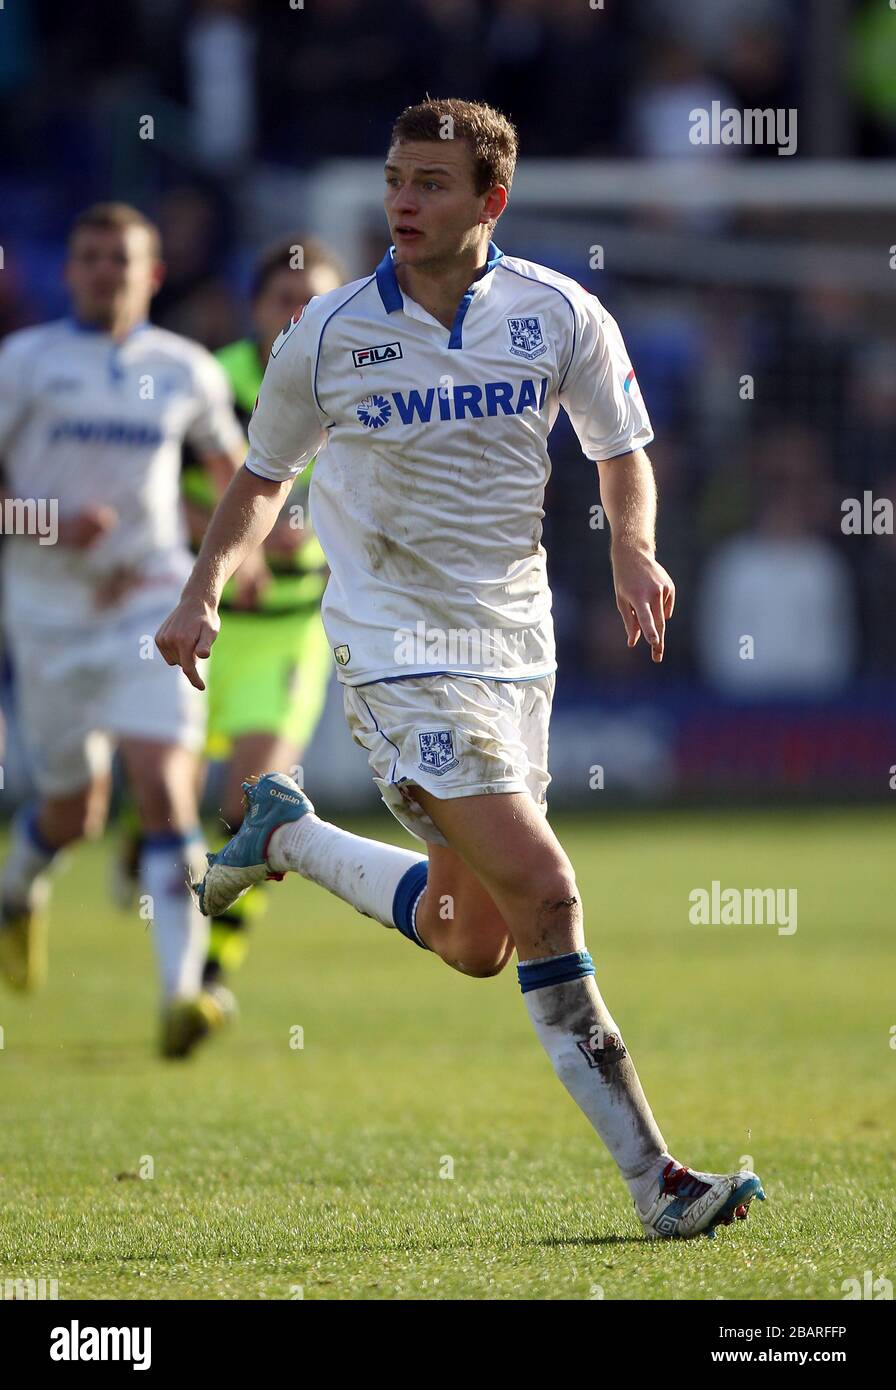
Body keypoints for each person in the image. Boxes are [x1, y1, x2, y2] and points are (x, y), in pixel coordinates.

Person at [157, 99, 765, 1236]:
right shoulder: (328, 334)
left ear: (490, 200)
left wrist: (631, 548)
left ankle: (280, 832)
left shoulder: (559, 314)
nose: (401, 199)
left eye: (430, 183)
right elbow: (259, 476)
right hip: (394, 652)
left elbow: (619, 448)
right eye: (395, 178)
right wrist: (201, 593)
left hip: (512, 651)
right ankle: (658, 1181)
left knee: (472, 937)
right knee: (545, 889)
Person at [0, 202, 259, 1057]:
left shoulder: (184, 369)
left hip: (154, 598)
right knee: (75, 809)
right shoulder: (24, 364)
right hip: (48, 615)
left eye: (123, 258)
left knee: (164, 786)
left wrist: (239, 555)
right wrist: (53, 525)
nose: (106, 270)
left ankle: (181, 996)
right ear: (68, 271)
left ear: (151, 275)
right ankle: (18, 891)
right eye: (90, 256)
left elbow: (234, 470)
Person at [118, 236, 344, 997]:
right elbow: (157, 494)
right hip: (207, 622)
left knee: (252, 801)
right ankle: (139, 832)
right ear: (252, 309)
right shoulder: (216, 386)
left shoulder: (358, 380)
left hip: (291, 630)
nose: (298, 313)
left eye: (314, 300)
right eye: (284, 299)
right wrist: (240, 540)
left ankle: (210, 983)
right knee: (170, 792)